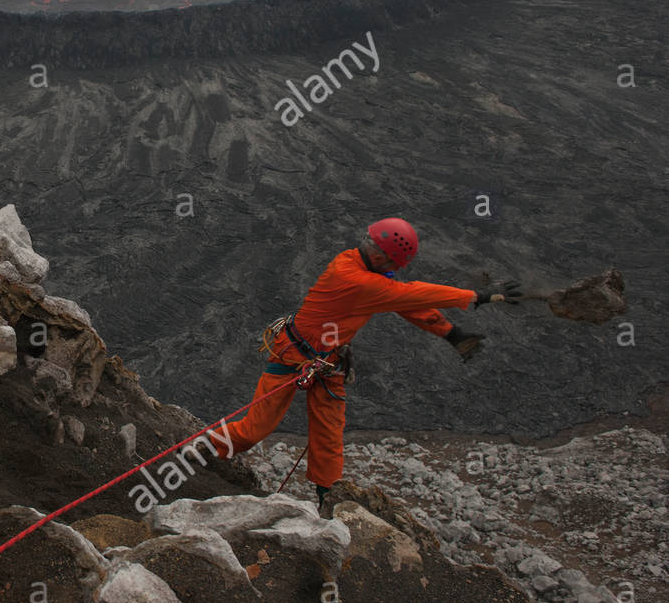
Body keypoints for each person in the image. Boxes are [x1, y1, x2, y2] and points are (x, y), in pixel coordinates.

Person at [207, 217, 521, 514]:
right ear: (388, 259)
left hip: (327, 362)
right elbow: (409, 294)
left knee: (329, 435)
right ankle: (199, 450)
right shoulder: (352, 277)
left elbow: (405, 303)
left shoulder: (363, 268)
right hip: (292, 355)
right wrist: (476, 297)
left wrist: (452, 333)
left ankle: (327, 498)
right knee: (255, 429)